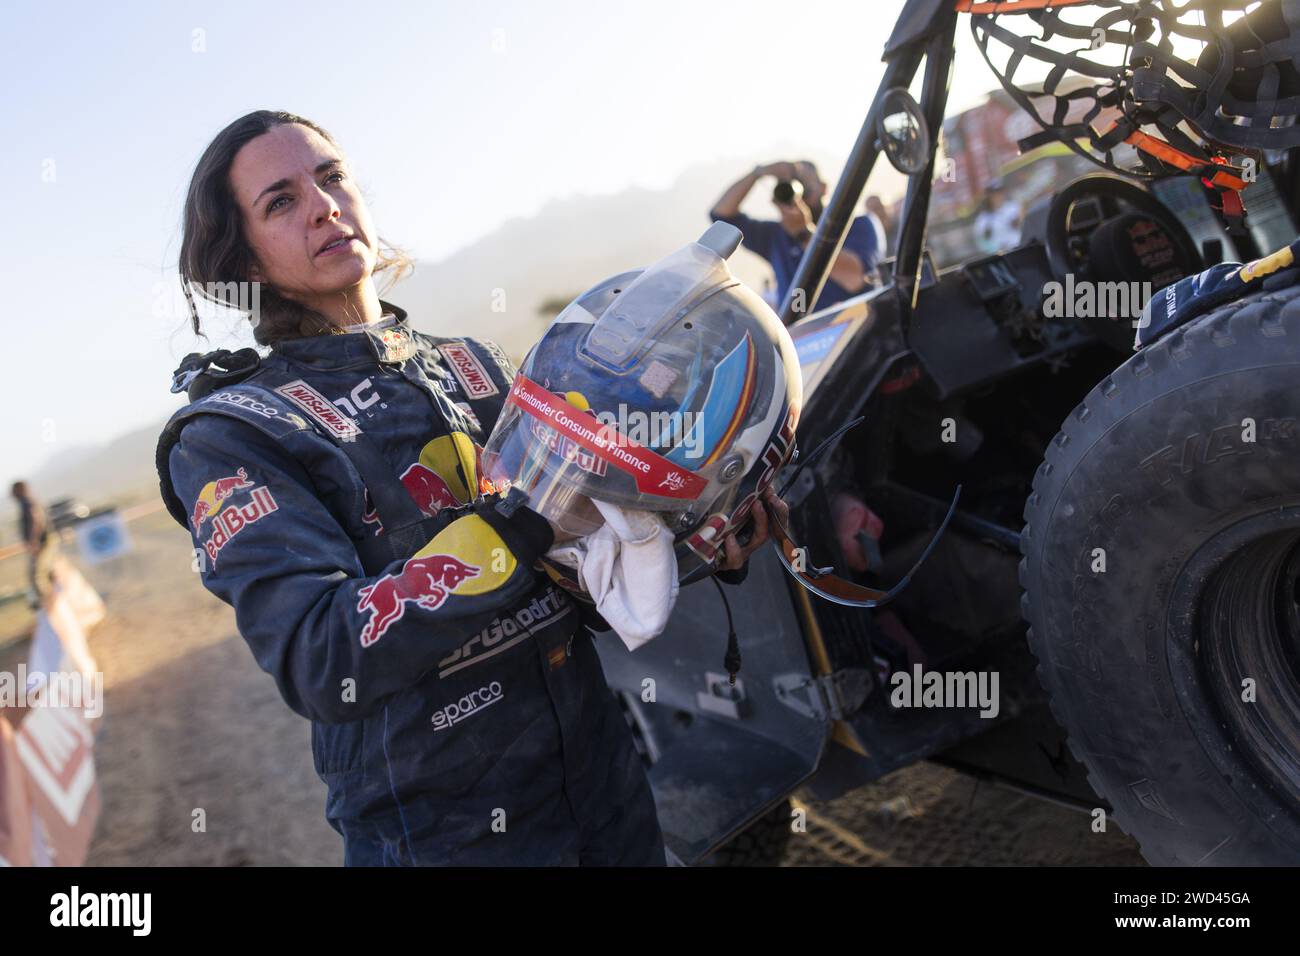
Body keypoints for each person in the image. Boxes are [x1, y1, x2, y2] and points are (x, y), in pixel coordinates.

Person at [154, 110, 775, 867]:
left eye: (331, 176)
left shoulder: (477, 367)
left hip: (606, 790)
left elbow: (582, 585)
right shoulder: (236, 431)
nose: (323, 205)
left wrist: (698, 550)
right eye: (280, 202)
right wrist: (523, 520)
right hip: (443, 836)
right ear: (244, 263)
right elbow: (323, 658)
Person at [709, 160, 880, 318]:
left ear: (823, 188)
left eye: (805, 186)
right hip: (801, 337)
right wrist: (758, 173)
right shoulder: (775, 236)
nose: (800, 200)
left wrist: (804, 234)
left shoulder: (857, 224)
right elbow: (721, 215)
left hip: (853, 329)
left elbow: (854, 278)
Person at [11, 482, 59, 609]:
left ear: (19, 490)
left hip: (43, 542)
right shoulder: (28, 501)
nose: (11, 495)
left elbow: (36, 519)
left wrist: (34, 541)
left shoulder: (26, 502)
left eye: (13, 491)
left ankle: (52, 605)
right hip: (44, 542)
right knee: (46, 573)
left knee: (37, 576)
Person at [972, 179, 1022, 256]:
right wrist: (993, 249)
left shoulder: (1013, 207)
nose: (998, 196)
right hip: (1000, 256)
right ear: (989, 196)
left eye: (1000, 192)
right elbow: (982, 242)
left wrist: (1018, 221)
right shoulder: (983, 219)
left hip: (1020, 248)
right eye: (994, 194)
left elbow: (1023, 225)